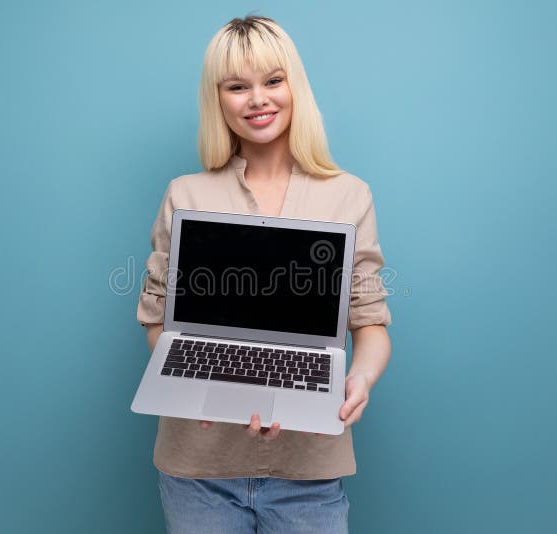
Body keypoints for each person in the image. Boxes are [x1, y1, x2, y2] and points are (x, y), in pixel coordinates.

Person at [137, 15, 392, 534]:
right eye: (237, 87)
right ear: (218, 99)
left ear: (294, 86)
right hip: (197, 471)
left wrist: (360, 379)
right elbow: (157, 320)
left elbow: (370, 323)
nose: (258, 99)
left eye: (273, 81)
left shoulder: (349, 195)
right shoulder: (186, 194)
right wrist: (204, 384)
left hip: (309, 470)